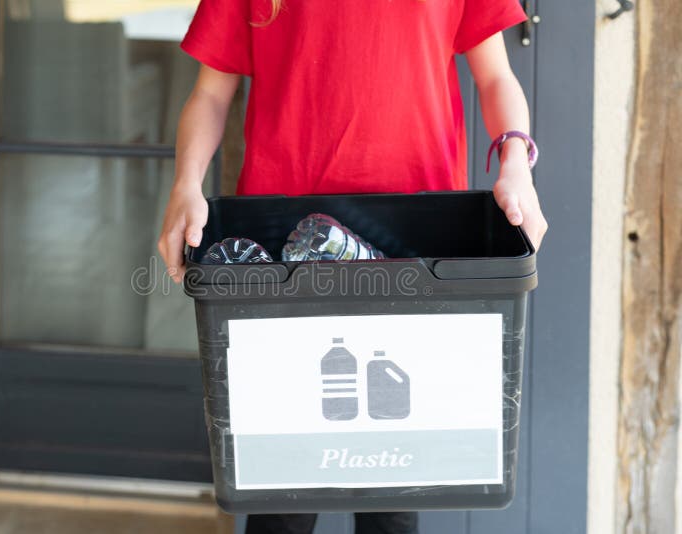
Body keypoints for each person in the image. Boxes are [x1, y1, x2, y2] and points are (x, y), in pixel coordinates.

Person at [158, 0, 548, 532]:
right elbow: (209, 91)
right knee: (282, 492)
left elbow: (496, 76)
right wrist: (185, 185)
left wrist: (516, 166)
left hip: (417, 236)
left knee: (394, 486)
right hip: (283, 241)